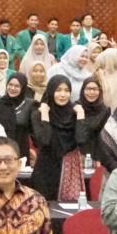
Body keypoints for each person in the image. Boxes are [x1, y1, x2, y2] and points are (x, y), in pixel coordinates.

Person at [27, 74, 84, 204]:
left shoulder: (74, 113)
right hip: (45, 170)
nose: (62, 94)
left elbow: (81, 140)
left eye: (66, 90)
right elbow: (44, 140)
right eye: (58, 90)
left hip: (69, 170)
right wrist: (45, 115)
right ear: (51, 91)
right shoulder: (38, 114)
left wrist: (81, 115)